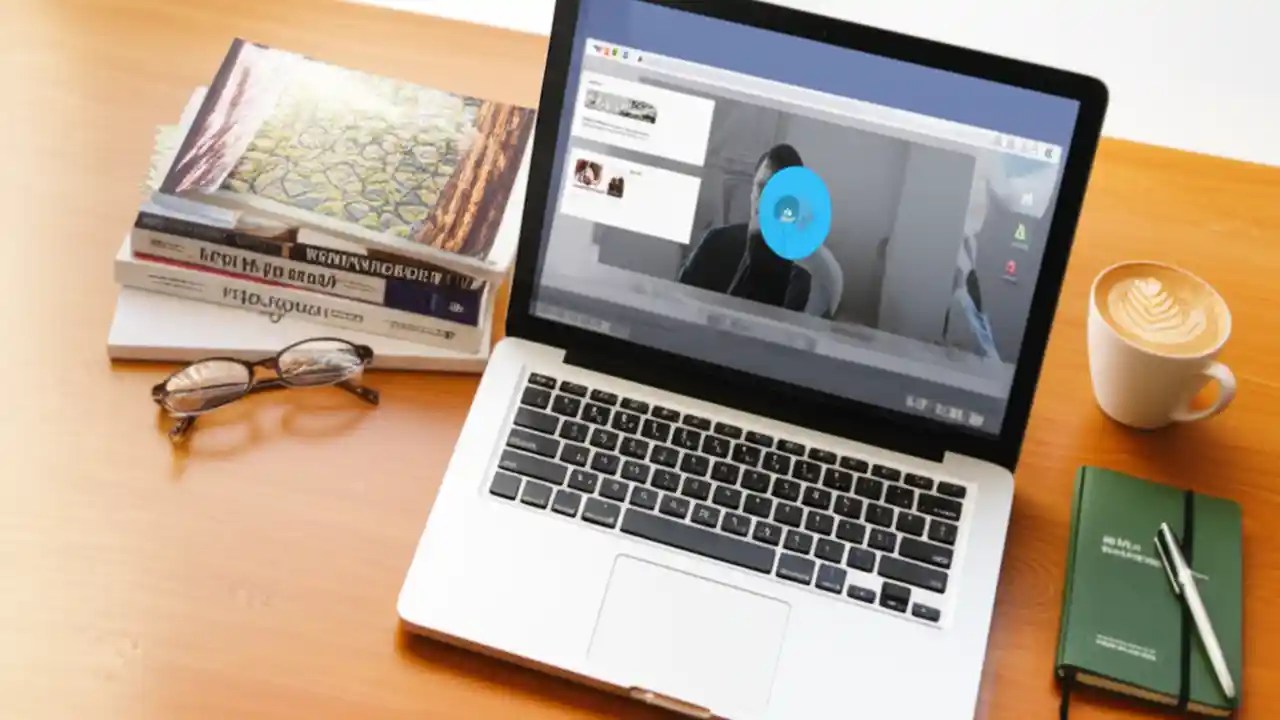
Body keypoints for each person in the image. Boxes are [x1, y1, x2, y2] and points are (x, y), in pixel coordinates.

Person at [678, 144, 812, 311]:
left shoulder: (797, 280)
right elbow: (678, 302)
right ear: (751, 190)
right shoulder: (716, 242)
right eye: (761, 187)